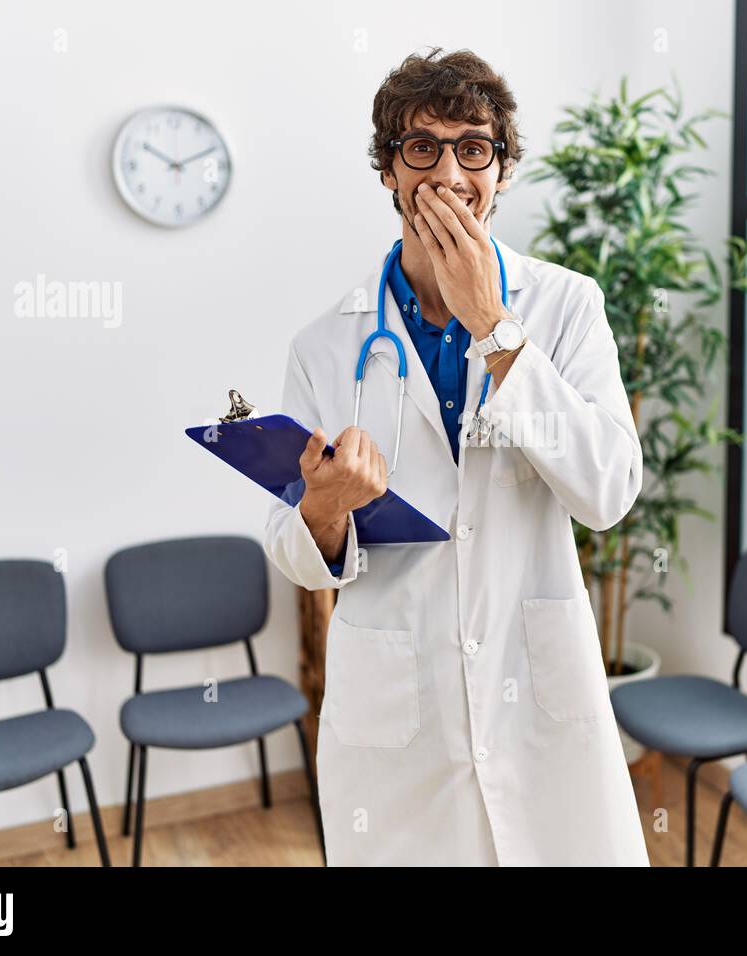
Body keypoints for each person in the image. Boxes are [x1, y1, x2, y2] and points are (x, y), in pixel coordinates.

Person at [263, 47, 649, 866]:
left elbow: (609, 490)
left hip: (538, 692)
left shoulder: (567, 306)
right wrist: (325, 508)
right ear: (387, 171)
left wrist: (496, 330)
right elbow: (292, 551)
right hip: (399, 709)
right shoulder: (325, 344)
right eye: (420, 147)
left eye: (474, 147)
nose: (448, 172)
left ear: (501, 171)